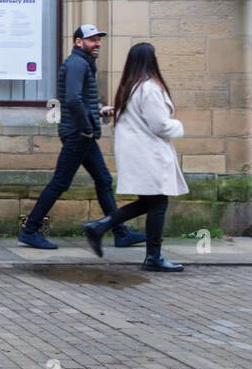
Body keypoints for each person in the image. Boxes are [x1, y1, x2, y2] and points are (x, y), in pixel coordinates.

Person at [18, 24, 147, 250]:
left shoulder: (82, 63)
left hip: (81, 133)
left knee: (104, 180)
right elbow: (72, 100)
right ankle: (30, 230)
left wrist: (97, 110)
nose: (97, 44)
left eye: (98, 40)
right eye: (92, 40)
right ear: (79, 42)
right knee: (60, 183)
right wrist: (87, 128)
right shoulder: (77, 64)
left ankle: (119, 231)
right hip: (79, 135)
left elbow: (79, 101)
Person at [82, 43, 188, 271]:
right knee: (158, 203)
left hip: (139, 155)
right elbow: (159, 125)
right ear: (152, 60)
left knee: (148, 203)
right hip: (150, 154)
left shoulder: (130, 87)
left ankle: (100, 226)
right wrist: (178, 125)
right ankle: (153, 258)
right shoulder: (149, 88)